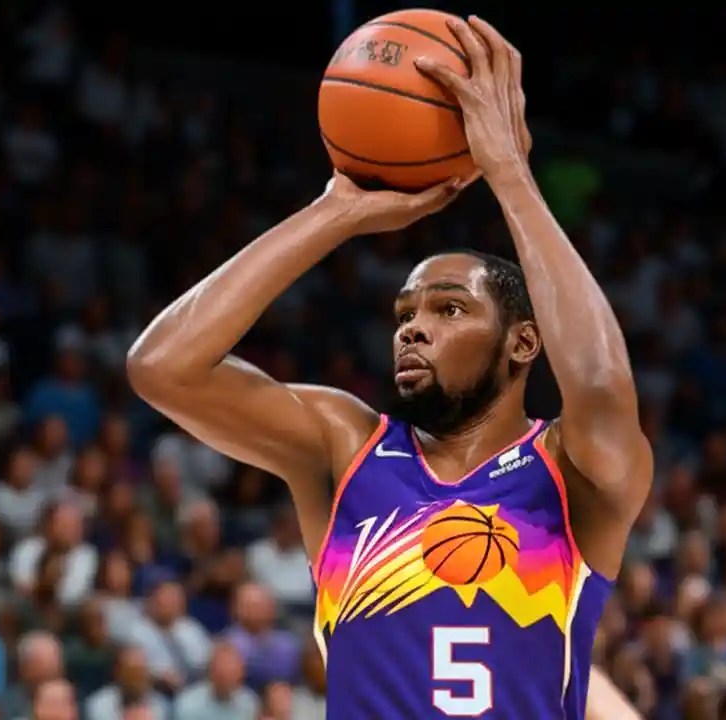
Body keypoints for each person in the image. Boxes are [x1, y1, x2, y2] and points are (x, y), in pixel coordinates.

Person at [128, 15, 651, 720]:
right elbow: (162, 367)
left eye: (449, 309)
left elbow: (600, 385)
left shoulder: (571, 473)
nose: (413, 329)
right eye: (405, 314)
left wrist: (512, 178)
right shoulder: (344, 448)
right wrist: (334, 212)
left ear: (524, 344)